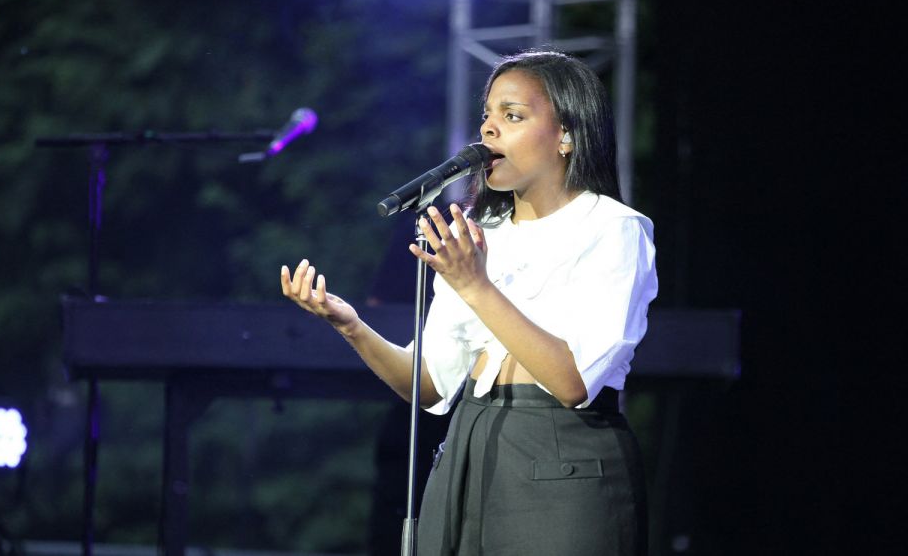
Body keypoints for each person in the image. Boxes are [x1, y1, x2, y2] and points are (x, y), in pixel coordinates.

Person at [280, 50, 658, 555]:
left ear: (566, 135)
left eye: (513, 116)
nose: (490, 130)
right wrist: (350, 326)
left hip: (562, 460)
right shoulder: (483, 235)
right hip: (468, 448)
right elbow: (431, 387)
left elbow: (573, 383)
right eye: (487, 116)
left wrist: (476, 285)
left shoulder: (613, 230)